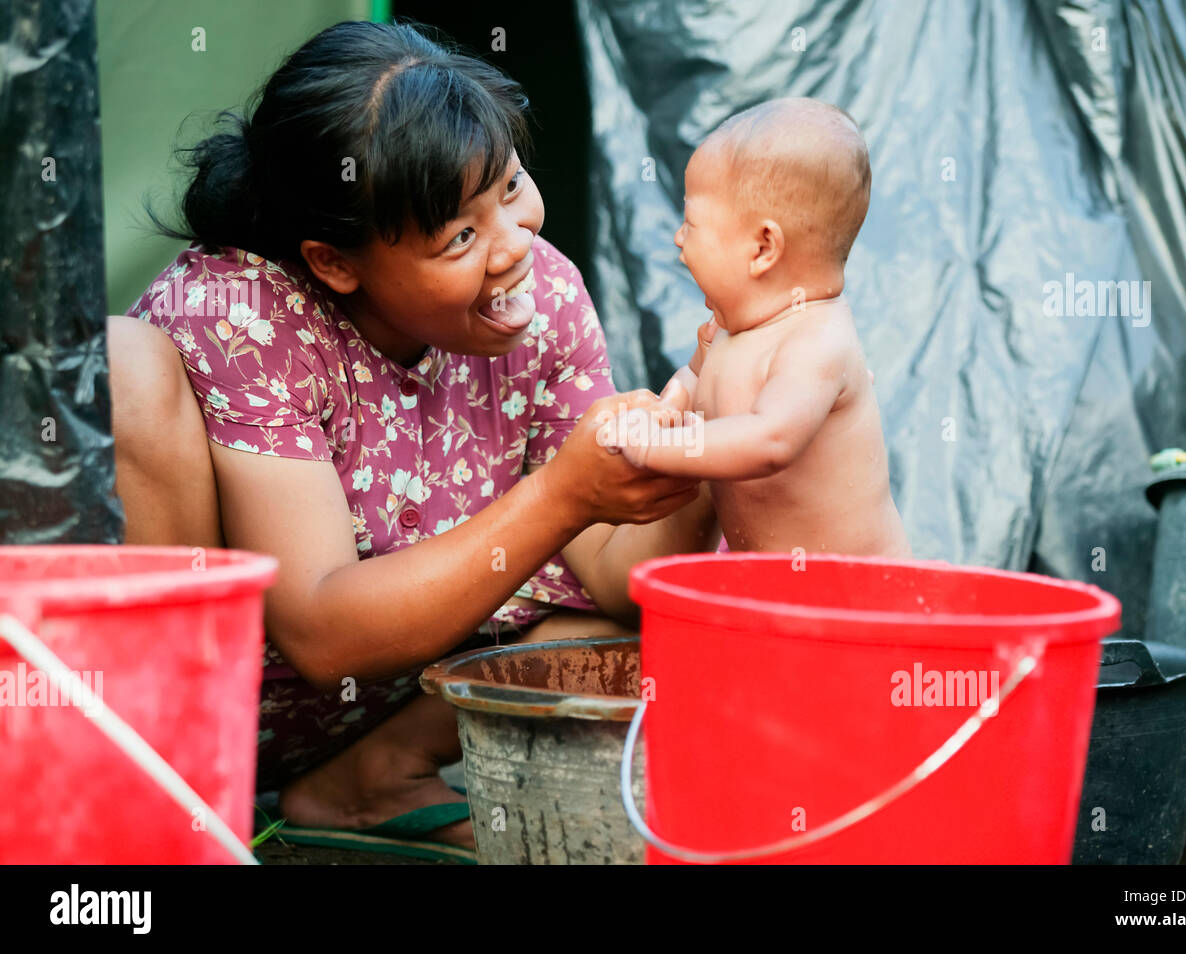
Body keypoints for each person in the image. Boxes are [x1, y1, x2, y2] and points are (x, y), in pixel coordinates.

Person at [107, 20, 717, 853]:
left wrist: (701, 457)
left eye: (509, 187)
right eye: (460, 237)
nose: (513, 248)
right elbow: (322, 632)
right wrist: (562, 494)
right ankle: (173, 807)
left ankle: (371, 780)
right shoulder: (240, 311)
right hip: (230, 707)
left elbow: (614, 579)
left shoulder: (544, 295)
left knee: (642, 633)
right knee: (120, 367)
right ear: (334, 262)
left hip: (388, 703)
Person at [601, 98, 909, 557]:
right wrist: (669, 406)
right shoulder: (728, 328)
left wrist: (653, 447)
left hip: (856, 600)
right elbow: (694, 378)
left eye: (691, 222)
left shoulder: (816, 342)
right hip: (769, 589)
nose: (677, 237)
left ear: (763, 247)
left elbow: (770, 440)